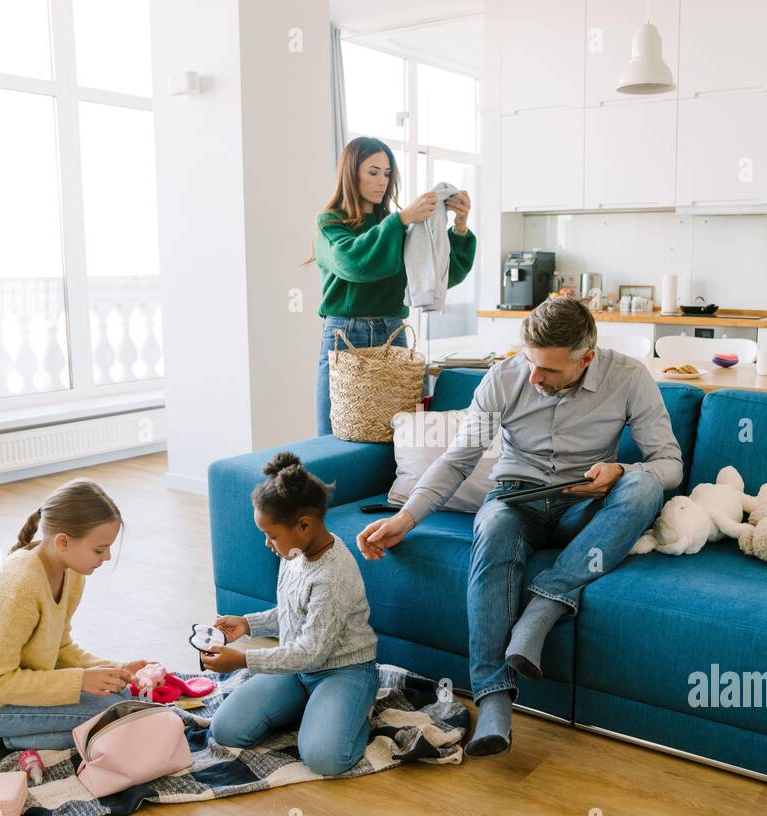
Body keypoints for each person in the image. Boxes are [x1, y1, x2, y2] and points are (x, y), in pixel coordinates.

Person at [355, 297, 683, 756]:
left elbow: (669, 464)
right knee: (491, 530)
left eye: (548, 370)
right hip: (514, 498)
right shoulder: (504, 377)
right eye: (530, 362)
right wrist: (405, 518)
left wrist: (622, 472)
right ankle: (493, 703)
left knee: (645, 488)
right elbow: (458, 461)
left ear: (586, 358)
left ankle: (545, 606)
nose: (534, 378)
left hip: (582, 508)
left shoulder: (628, 377)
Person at [0, 479, 152, 751]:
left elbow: (60, 647)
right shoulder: (19, 584)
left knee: (121, 700)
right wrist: (80, 680)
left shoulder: (72, 572)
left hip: (1, 690)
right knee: (113, 717)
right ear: (63, 541)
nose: (107, 557)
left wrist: (116, 668)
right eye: (99, 549)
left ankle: (11, 738)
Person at [201, 451, 379, 776]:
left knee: (325, 758)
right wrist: (247, 624)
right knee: (225, 729)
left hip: (342, 670)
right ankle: (315, 709)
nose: (268, 544)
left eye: (272, 536)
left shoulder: (333, 573)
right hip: (298, 670)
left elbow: (311, 653)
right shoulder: (294, 552)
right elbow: (291, 613)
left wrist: (242, 660)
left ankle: (353, 712)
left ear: (304, 525)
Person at [306, 135, 476, 436]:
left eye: (387, 174)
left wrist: (459, 225)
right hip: (345, 337)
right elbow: (354, 262)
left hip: (393, 332)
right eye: (373, 172)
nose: (382, 181)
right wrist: (401, 219)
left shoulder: (398, 225)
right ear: (351, 173)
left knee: (399, 439)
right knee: (335, 438)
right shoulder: (330, 224)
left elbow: (437, 273)